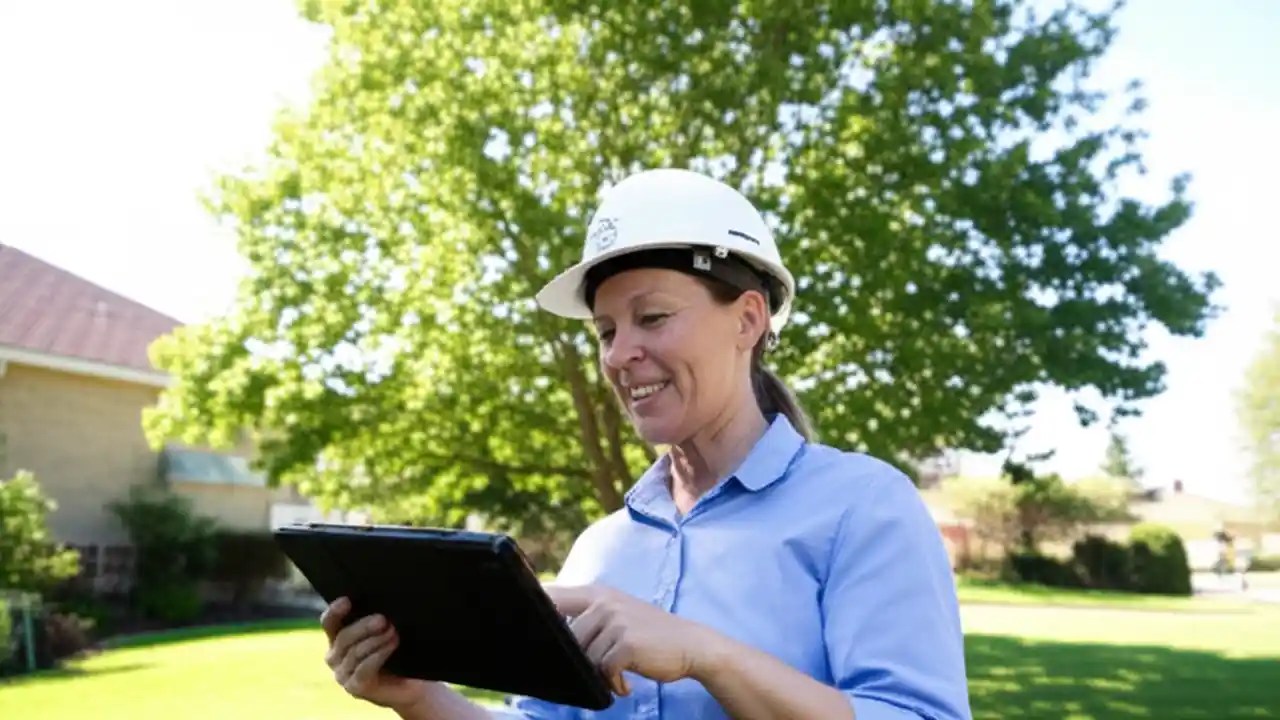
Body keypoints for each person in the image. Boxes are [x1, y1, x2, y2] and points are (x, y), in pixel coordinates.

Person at [319, 168, 973, 719]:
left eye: (652, 317)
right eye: (606, 331)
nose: (621, 354)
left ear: (748, 319)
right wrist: (416, 695)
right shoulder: (600, 550)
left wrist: (704, 655)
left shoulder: (863, 507)